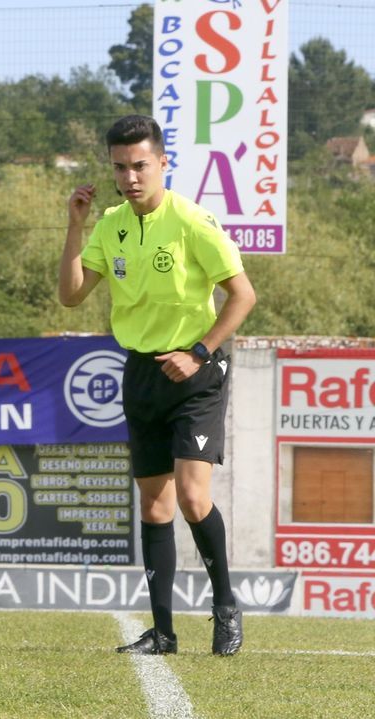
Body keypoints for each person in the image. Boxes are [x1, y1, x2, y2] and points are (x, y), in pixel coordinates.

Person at [59, 114, 256, 656]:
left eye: (140, 165)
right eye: (120, 167)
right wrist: (75, 225)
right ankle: (163, 632)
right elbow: (72, 295)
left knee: (193, 498)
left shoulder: (193, 221)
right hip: (143, 371)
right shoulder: (111, 223)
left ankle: (225, 607)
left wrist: (198, 353)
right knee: (154, 507)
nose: (130, 176)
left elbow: (243, 296)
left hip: (196, 371)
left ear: (163, 163)